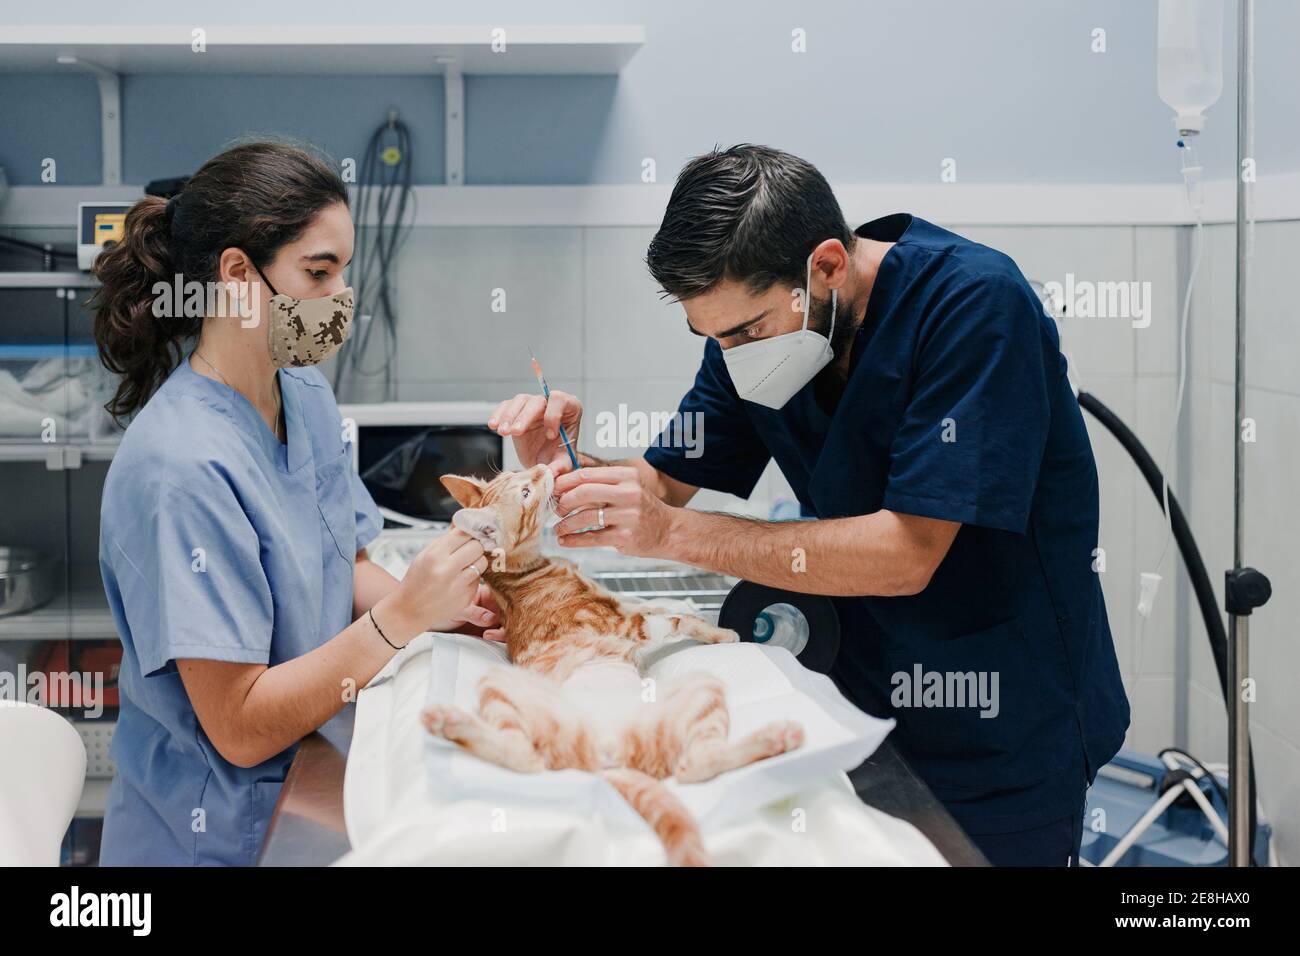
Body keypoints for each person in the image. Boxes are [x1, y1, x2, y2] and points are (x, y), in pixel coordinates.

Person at [490, 144, 1130, 866]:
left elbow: (908, 553)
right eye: (712, 337)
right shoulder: (759, 338)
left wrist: (674, 533)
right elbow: (661, 487)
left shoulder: (973, 304)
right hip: (852, 705)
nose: (731, 352)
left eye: (745, 330)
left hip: (1002, 724)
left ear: (825, 266)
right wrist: (570, 468)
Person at [92, 141, 498, 865]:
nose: (343, 295)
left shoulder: (301, 391)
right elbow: (240, 725)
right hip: (210, 833)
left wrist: (449, 608)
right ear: (239, 274)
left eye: (342, 269)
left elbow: (333, 564)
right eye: (319, 271)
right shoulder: (181, 467)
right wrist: (404, 619)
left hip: (304, 773)